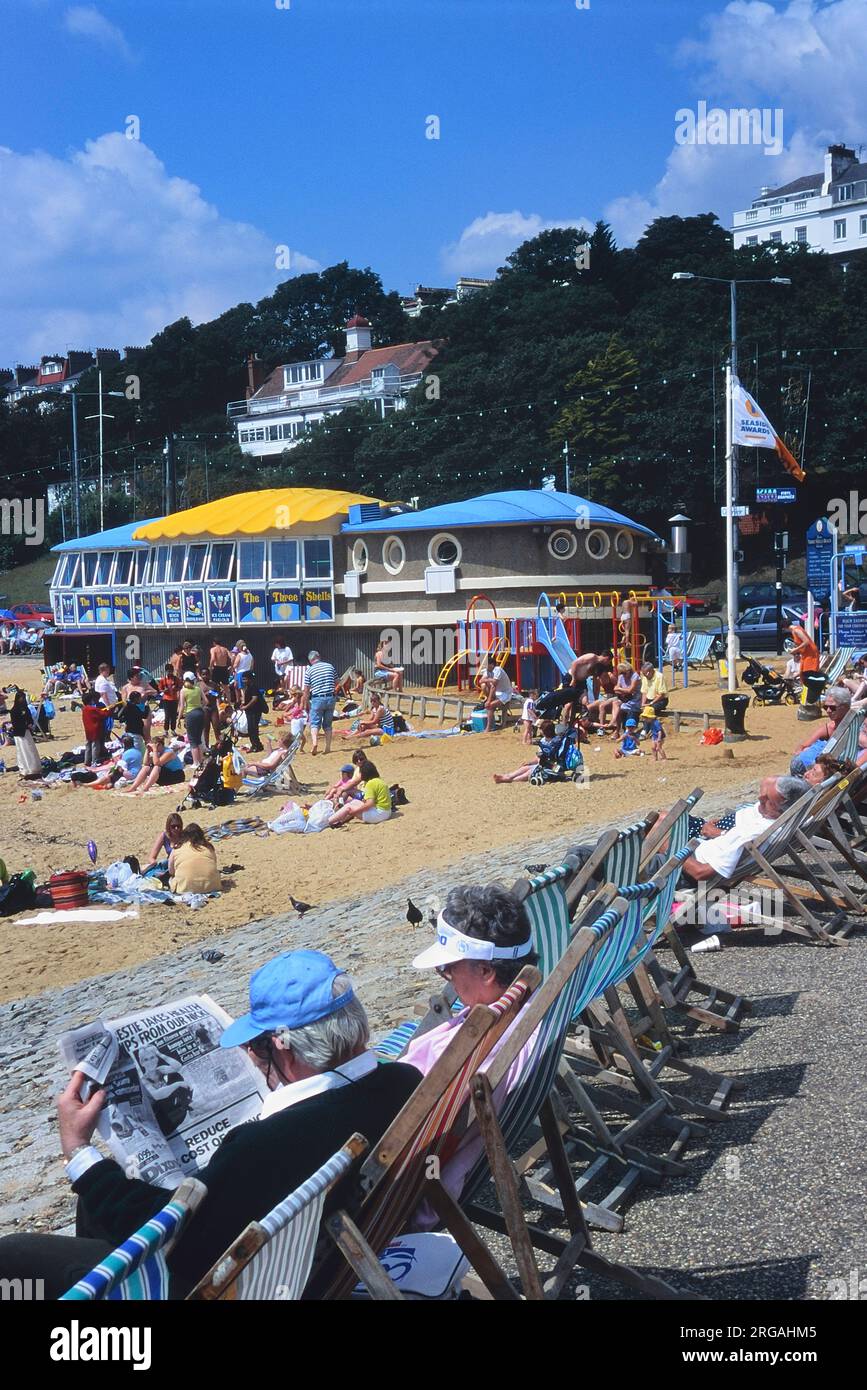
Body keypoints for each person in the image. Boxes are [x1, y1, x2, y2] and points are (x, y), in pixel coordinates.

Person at [0, 950, 420, 1299]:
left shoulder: (265, 1145)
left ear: (286, 1052)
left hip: (224, 1282)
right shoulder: (404, 1084)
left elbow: (170, 1239)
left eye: (257, 1046)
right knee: (93, 1203)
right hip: (327, 1251)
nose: (253, 1059)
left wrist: (78, 1150)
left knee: (14, 1255)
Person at [403, 884, 538, 1217]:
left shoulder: (469, 1051)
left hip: (411, 1192)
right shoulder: (531, 1009)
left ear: (486, 971)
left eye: (449, 969)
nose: (446, 979)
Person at [676, 776, 810, 885]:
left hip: (687, 863)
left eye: (767, 800)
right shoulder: (781, 821)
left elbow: (700, 872)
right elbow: (769, 780)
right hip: (701, 847)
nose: (760, 798)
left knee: (664, 823)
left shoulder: (753, 834)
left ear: (780, 809)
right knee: (665, 820)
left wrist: (670, 848)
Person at [790, 686, 852, 774]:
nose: (828, 711)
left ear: (845, 706)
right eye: (825, 707)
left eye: (833, 707)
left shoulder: (856, 726)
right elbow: (802, 746)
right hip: (808, 768)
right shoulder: (830, 727)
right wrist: (804, 751)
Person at [328, 759, 392, 826]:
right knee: (355, 802)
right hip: (387, 812)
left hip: (380, 815)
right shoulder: (379, 780)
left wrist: (355, 811)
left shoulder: (371, 783)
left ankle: (328, 822)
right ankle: (340, 820)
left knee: (348, 807)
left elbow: (369, 804)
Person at [493, 721, 559, 783]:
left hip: (550, 766)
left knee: (529, 772)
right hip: (541, 764)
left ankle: (509, 779)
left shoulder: (556, 741)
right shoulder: (543, 741)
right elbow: (538, 756)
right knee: (525, 767)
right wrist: (530, 762)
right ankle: (508, 776)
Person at [122, 736, 186, 795]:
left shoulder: (169, 752)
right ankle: (133, 787)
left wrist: (155, 750)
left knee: (156, 767)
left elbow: (157, 763)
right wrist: (147, 750)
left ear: (160, 745)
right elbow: (145, 763)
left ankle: (146, 788)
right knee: (146, 768)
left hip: (176, 775)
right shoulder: (157, 753)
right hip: (165, 776)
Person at [302, 649, 337, 756]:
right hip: (330, 697)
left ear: (310, 660)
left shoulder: (309, 671)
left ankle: (315, 743)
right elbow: (337, 681)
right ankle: (327, 747)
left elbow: (306, 689)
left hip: (317, 698)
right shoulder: (330, 666)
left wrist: (305, 702)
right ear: (319, 657)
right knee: (328, 724)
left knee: (315, 723)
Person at [168, 822, 220, 893]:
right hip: (212, 886)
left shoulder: (177, 849)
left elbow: (171, 871)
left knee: (171, 879)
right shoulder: (209, 847)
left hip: (185, 887)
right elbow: (214, 863)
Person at [9, 689, 42, 778]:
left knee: (30, 750)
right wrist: (25, 725)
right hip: (19, 734)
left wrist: (30, 724)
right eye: (21, 698)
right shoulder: (14, 710)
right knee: (22, 751)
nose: (22, 700)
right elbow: (15, 723)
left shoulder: (25, 708)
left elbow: (29, 717)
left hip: (26, 732)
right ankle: (25, 769)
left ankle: (34, 768)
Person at [81, 688, 115, 767]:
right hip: (95, 730)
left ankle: (87, 761)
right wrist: (111, 708)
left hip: (88, 731)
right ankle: (94, 761)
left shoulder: (85, 709)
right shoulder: (92, 709)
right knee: (95, 746)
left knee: (88, 746)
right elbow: (104, 714)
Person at [178, 670, 206, 767]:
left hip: (190, 714)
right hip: (200, 713)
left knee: (192, 740)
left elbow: (182, 706)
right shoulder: (198, 689)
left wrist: (178, 719)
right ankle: (201, 760)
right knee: (199, 739)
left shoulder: (183, 691)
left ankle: (195, 762)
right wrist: (200, 706)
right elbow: (206, 701)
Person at [238, 671, 266, 753]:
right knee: (251, 728)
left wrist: (246, 706)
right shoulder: (248, 687)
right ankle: (256, 745)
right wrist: (243, 704)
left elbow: (254, 699)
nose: (244, 681)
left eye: (245, 679)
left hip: (255, 711)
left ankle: (256, 745)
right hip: (249, 711)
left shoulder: (253, 687)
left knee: (253, 728)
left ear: (250, 679)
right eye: (243, 679)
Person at [158, 664, 181, 735]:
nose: (170, 672)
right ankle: (166, 731)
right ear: (166, 671)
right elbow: (160, 689)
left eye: (171, 671)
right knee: (167, 715)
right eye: (168, 671)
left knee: (174, 715)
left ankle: (173, 730)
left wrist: (175, 688)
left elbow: (180, 687)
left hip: (174, 699)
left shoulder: (176, 679)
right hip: (166, 699)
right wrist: (164, 690)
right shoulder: (163, 680)